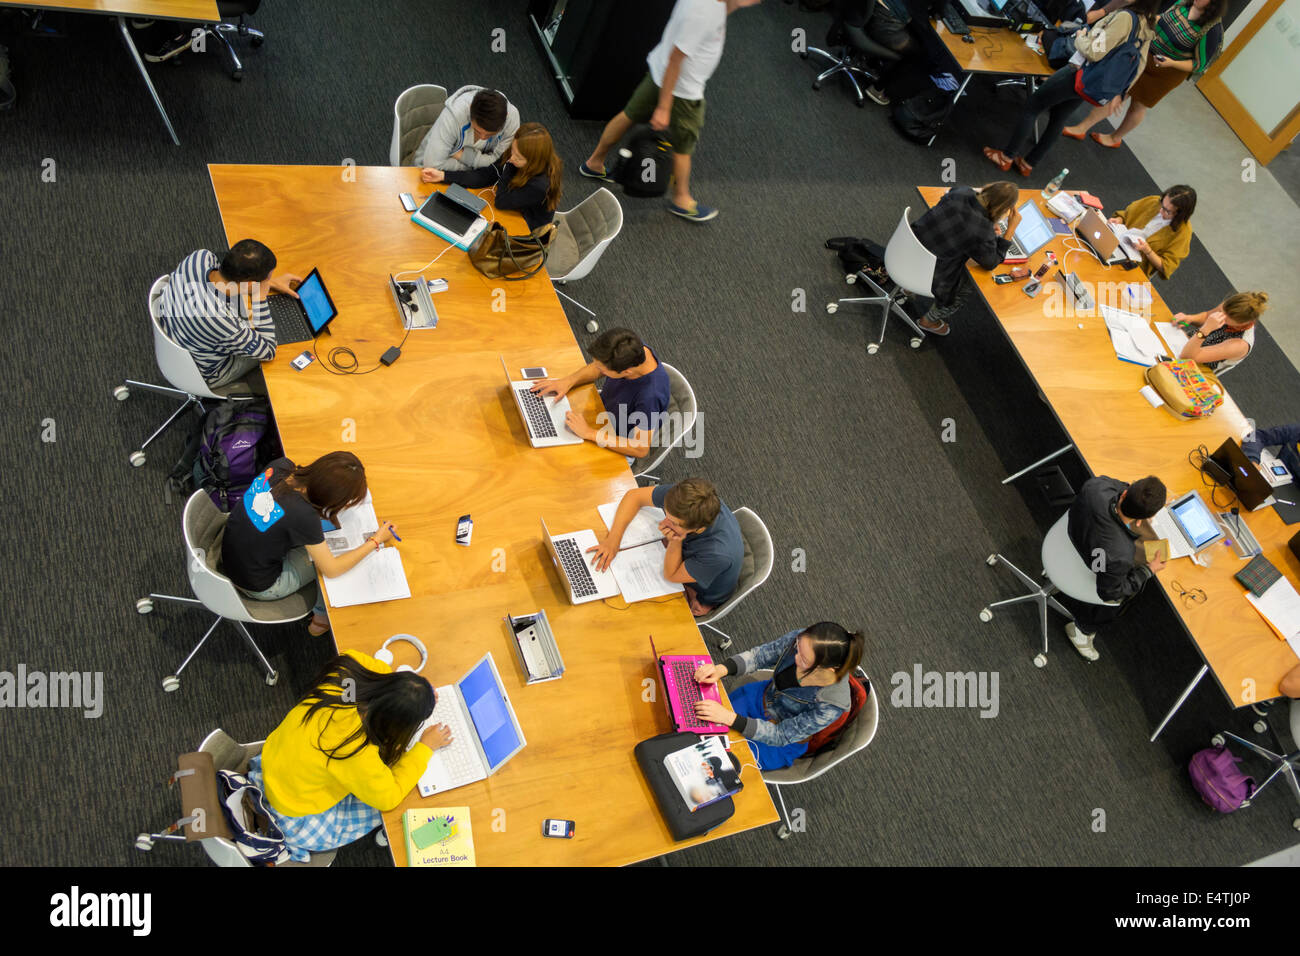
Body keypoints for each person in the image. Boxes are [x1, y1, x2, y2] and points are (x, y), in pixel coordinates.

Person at [248, 651, 451, 863]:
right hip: (292, 813)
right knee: (397, 799)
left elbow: (358, 659)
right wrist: (425, 747)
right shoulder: (355, 751)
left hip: (272, 765)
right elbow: (388, 797)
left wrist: (408, 691)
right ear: (393, 725)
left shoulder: (346, 685)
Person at [579, 0, 762, 223]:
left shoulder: (715, 5)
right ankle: (681, 199)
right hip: (682, 90)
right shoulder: (704, 13)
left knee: (628, 115)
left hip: (659, 73)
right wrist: (664, 108)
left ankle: (594, 163)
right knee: (684, 146)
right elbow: (677, 59)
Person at [220, 451, 398, 637]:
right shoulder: (304, 516)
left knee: (318, 545)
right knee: (331, 556)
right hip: (258, 584)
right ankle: (320, 619)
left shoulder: (281, 466)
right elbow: (332, 568)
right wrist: (375, 540)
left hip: (231, 551)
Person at [983, 0, 1158, 177]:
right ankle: (1028, 163)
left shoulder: (1125, 18)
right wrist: (1121, 92)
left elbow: (1094, 52)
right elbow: (1140, 66)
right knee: (1059, 118)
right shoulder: (1147, 24)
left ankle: (1006, 157)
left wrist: (1081, 36)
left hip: (1080, 72)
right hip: (1094, 83)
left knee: (1033, 106)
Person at [692, 623, 866, 770]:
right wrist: (721, 669)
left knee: (713, 761)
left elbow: (781, 735)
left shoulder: (832, 703)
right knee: (695, 723)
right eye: (797, 649)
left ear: (828, 670)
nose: (796, 657)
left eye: (804, 660)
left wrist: (730, 718)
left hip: (777, 740)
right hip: (760, 698)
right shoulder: (803, 641)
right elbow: (759, 656)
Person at [1064, 0, 1226, 148]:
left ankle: (1115, 138)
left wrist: (1171, 63)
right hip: (1144, 54)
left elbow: (1199, 65)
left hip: (1167, 72)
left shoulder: (1212, 30)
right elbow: (1160, 19)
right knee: (1117, 91)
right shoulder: (1183, 4)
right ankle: (1082, 127)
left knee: (1139, 104)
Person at [157, 239, 300, 392]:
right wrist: (259, 298)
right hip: (206, 374)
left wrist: (272, 284)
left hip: (175, 330)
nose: (268, 281)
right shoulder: (224, 322)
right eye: (267, 279)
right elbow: (268, 350)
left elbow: (225, 282)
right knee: (286, 351)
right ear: (252, 284)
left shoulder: (199, 258)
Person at [591, 478, 742, 617]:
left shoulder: (717, 553)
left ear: (697, 527)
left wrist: (674, 541)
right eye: (667, 515)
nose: (663, 523)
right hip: (691, 557)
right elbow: (634, 496)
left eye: (674, 523)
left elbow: (671, 575)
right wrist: (613, 540)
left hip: (701, 593)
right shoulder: (686, 499)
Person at [1064, 474, 1167, 661]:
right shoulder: (1122, 554)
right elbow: (1109, 593)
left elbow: (1119, 485)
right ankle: (1081, 630)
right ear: (1143, 520)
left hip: (1069, 537)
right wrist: (1147, 570)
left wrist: (1136, 496)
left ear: (1125, 493)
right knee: (1121, 597)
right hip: (1091, 563)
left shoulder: (1096, 486)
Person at [528, 327, 670, 460]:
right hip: (599, 414)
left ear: (626, 372)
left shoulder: (650, 396)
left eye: (602, 370)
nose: (596, 369)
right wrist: (567, 381)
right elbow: (598, 367)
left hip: (615, 441)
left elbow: (640, 448)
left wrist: (589, 433)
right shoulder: (631, 349)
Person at [908, 181, 1021, 336]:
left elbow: (965, 213)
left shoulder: (961, 192)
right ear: (1003, 210)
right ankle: (928, 321)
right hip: (931, 273)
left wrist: (990, 223)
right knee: (965, 287)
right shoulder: (983, 231)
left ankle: (907, 287)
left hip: (908, 249)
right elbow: (991, 263)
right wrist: (1011, 230)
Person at [421, 122, 561, 234]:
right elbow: (487, 175)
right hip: (514, 209)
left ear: (533, 161)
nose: (512, 157)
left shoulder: (539, 186)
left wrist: (508, 166)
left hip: (527, 230)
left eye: (518, 157)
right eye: (512, 150)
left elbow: (501, 201)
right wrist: (443, 176)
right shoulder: (519, 151)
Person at [412, 86, 520, 172]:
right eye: (477, 131)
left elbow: (498, 162)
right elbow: (432, 165)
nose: (482, 138)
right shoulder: (453, 116)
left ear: (506, 117)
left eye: (489, 135)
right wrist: (477, 167)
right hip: (425, 171)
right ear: (470, 110)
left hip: (473, 176)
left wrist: (464, 156)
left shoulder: (512, 119)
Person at [1108, 185, 1196, 279]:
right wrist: (1119, 219)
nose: (1161, 211)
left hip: (1133, 266)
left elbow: (1165, 267)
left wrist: (1147, 250)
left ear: (1180, 215)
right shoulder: (1154, 201)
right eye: (1162, 205)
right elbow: (1126, 214)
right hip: (1116, 244)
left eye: (1167, 211)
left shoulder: (1183, 233)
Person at [1175, 291, 1268, 371]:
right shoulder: (1230, 307)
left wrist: (1205, 330)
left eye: (1226, 317)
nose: (1220, 315)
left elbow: (1187, 357)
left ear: (1241, 323)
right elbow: (1207, 316)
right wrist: (1190, 318)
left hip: (1196, 368)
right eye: (1221, 311)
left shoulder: (1240, 344)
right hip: (1184, 343)